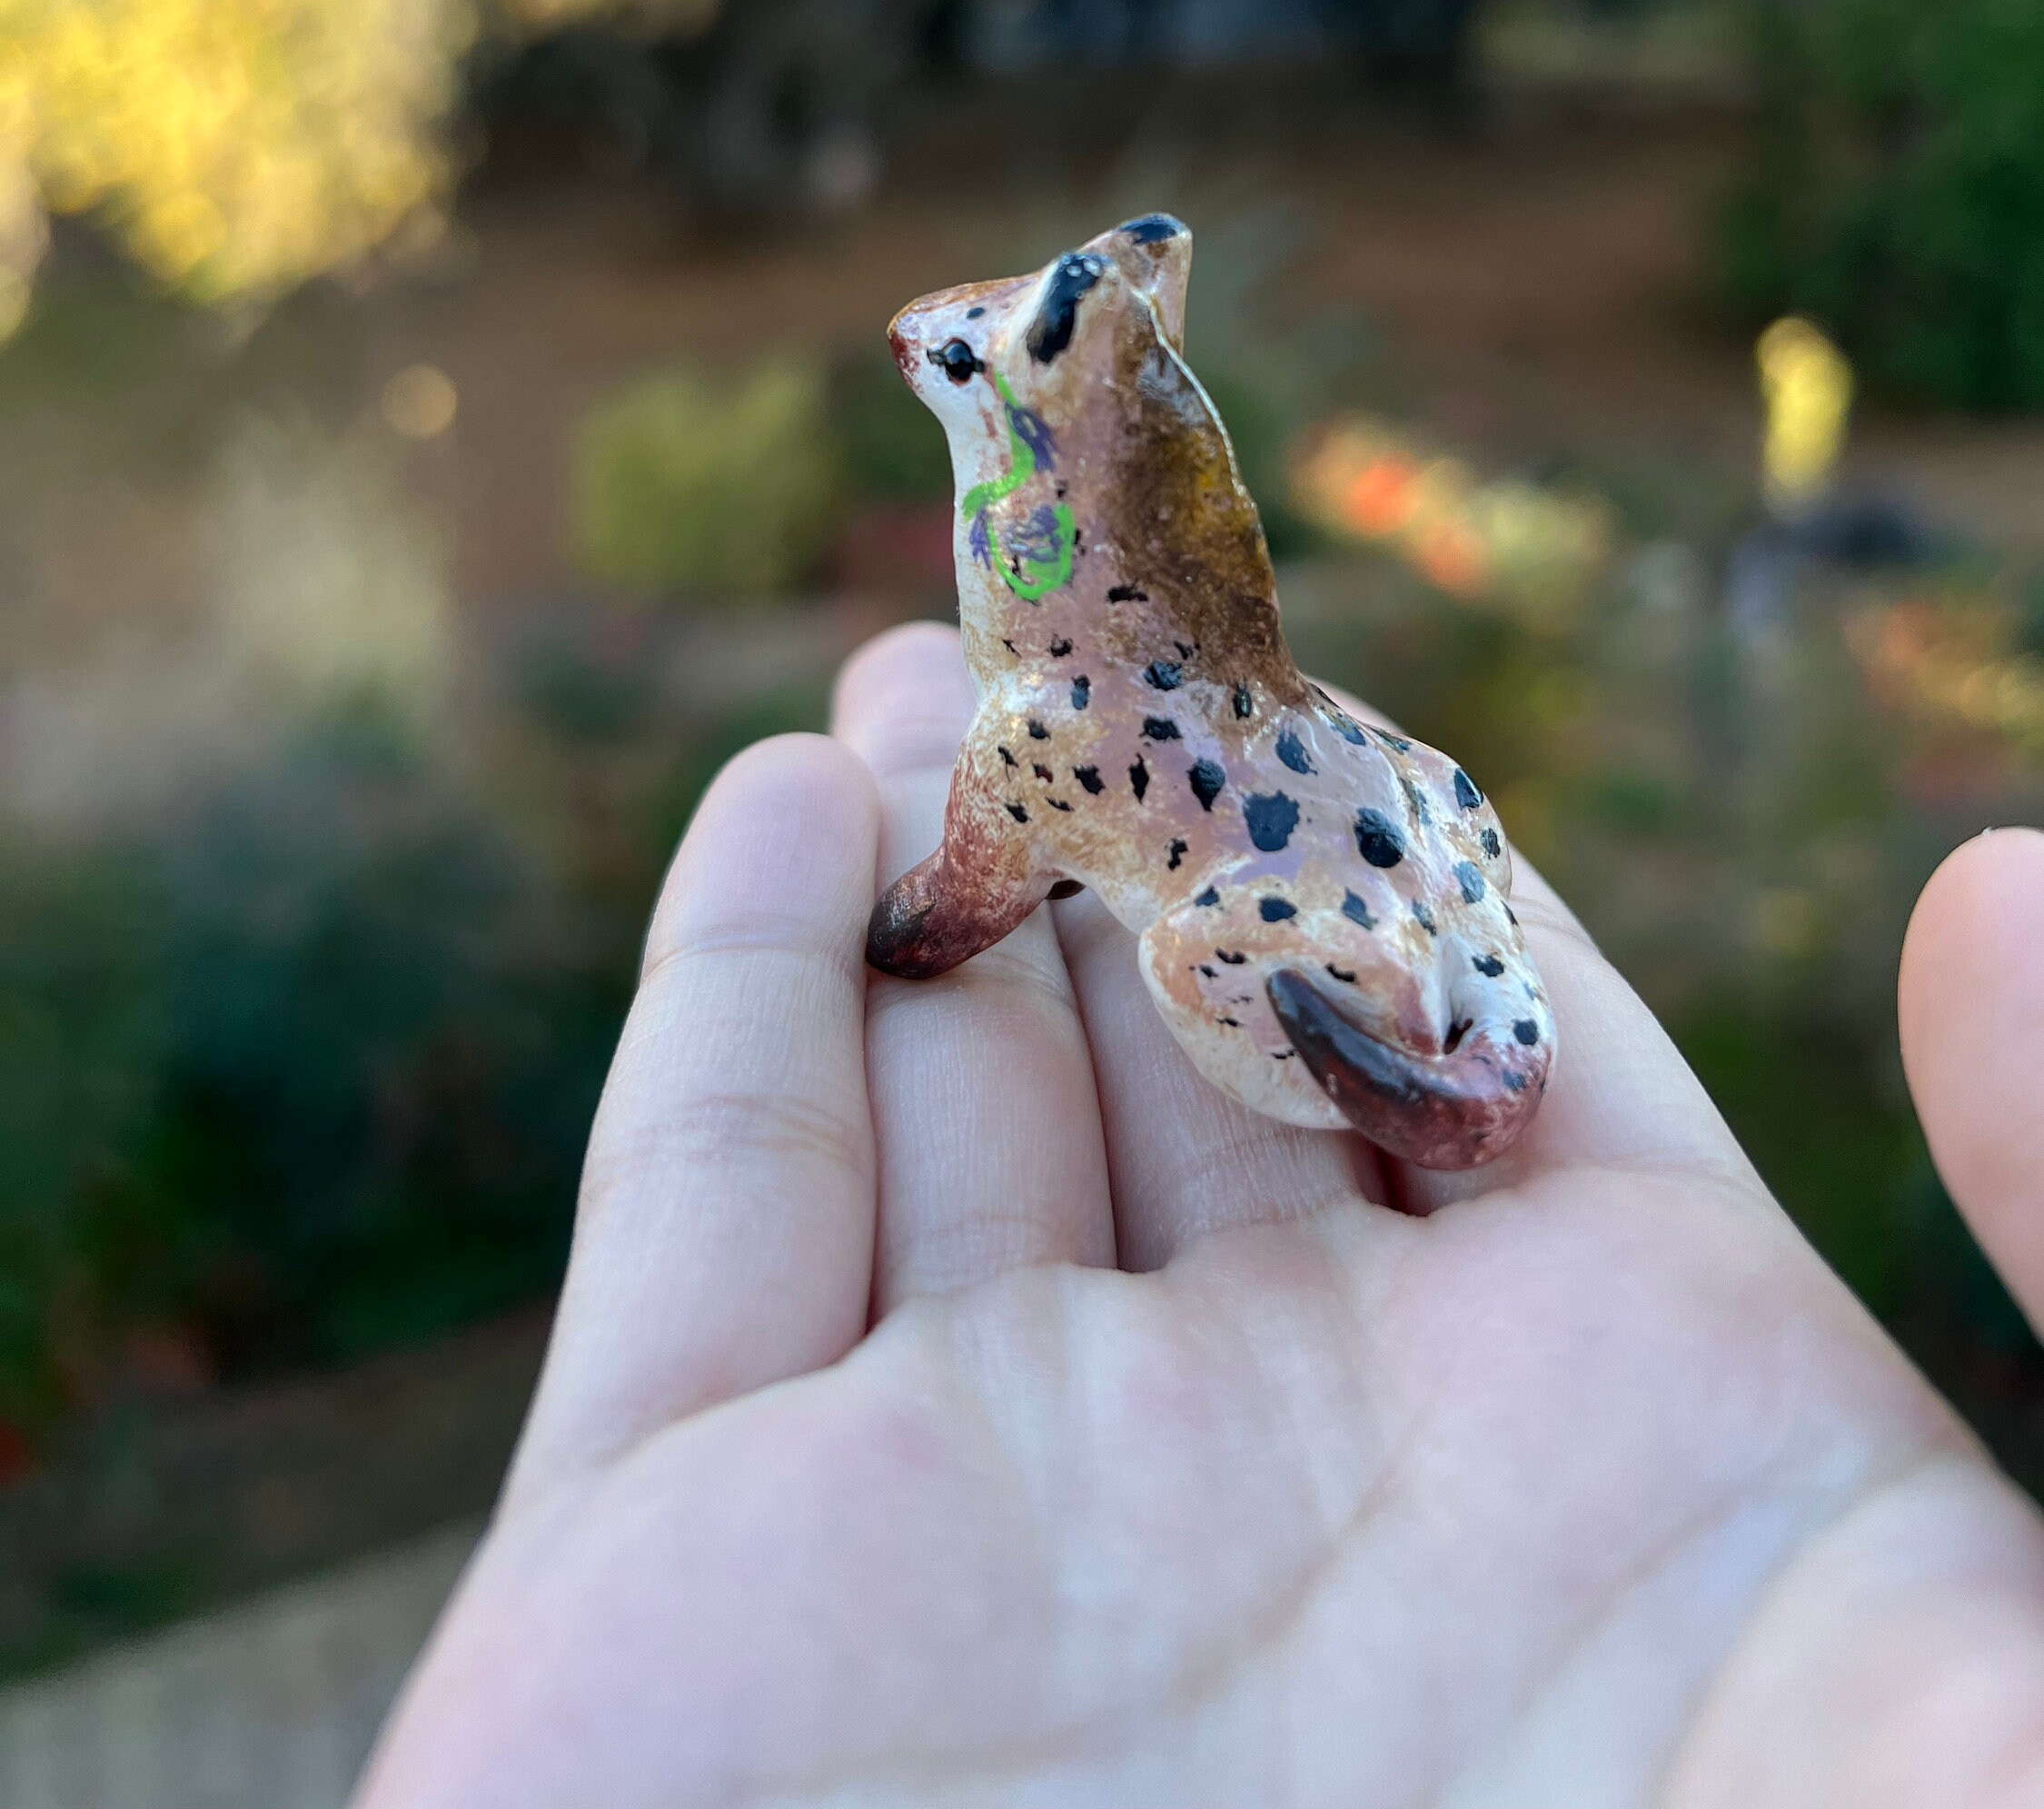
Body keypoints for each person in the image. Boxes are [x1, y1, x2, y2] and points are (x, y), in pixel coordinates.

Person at [357, 622, 2044, 1807]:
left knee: (1176, 935)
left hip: (1323, 912)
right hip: (1341, 861)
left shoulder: (1070, 706)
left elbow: (977, 875)